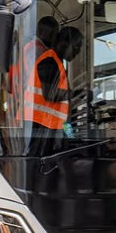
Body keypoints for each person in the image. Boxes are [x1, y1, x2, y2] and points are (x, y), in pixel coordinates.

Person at [24, 26, 85, 155]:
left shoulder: (57, 63)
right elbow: (49, 94)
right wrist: (76, 94)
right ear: (65, 43)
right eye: (76, 47)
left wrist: (70, 136)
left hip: (49, 130)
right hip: (40, 131)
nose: (78, 52)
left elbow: (62, 111)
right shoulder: (49, 62)